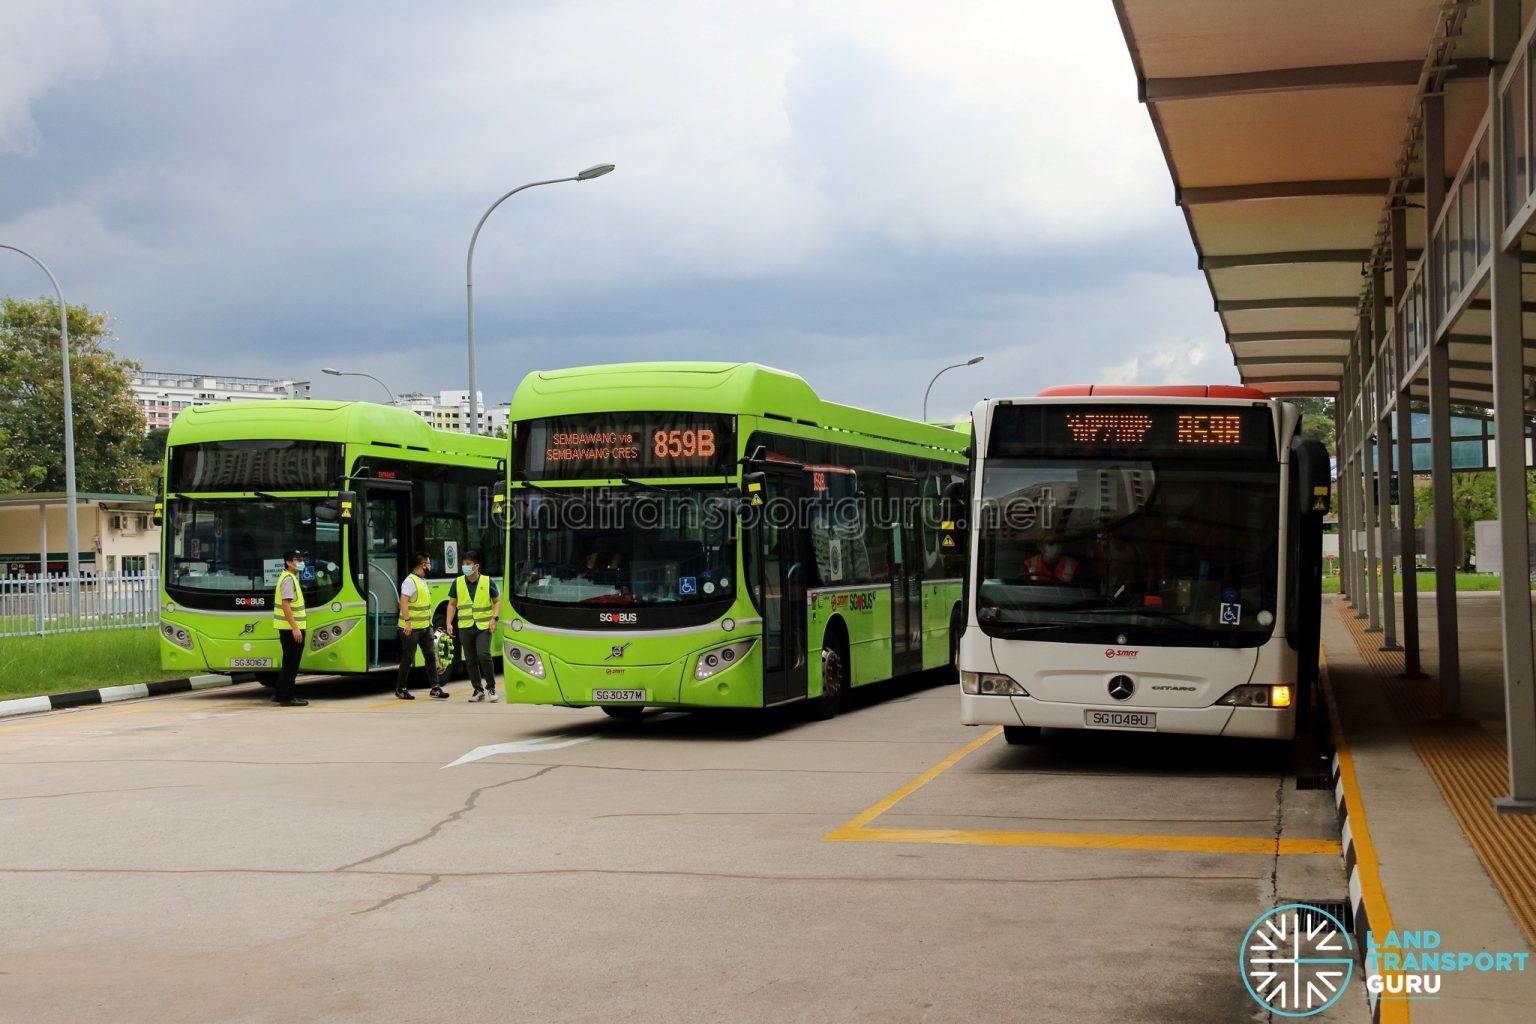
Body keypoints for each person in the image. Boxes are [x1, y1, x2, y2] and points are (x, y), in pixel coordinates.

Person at [447, 548, 501, 702]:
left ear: (476, 566)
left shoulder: (487, 581)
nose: (465, 567)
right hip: (465, 626)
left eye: (468, 564)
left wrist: (494, 618)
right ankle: (478, 690)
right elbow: (452, 604)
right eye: (463, 564)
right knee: (470, 660)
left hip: (484, 626)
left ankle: (491, 688)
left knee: (484, 655)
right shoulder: (457, 582)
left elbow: (497, 601)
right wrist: (448, 622)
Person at [396, 551, 448, 700]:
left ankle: (435, 688)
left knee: (431, 656)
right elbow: (403, 603)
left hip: (425, 627)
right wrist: (407, 623)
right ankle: (401, 689)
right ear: (423, 565)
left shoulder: (421, 580)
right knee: (408, 658)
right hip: (410, 629)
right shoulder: (410, 581)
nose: (430, 566)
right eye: (429, 563)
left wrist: (429, 624)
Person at [271, 549, 310, 707]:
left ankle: (279, 694)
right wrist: (295, 628)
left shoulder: (291, 577)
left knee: (288, 662)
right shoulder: (288, 579)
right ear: (288, 562)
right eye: (297, 559)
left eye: (302, 559)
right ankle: (287, 697)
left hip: (289, 628)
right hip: (291, 629)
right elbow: (286, 605)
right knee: (291, 664)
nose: (301, 562)